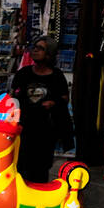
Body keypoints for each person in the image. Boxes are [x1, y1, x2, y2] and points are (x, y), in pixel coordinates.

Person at [10, 36, 71, 184]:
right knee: (21, 167)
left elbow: (64, 98)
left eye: (41, 48)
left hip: (45, 131)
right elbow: (13, 97)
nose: (35, 50)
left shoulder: (56, 76)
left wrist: (53, 103)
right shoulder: (23, 74)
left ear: (49, 54)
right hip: (24, 128)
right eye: (34, 47)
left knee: (40, 170)